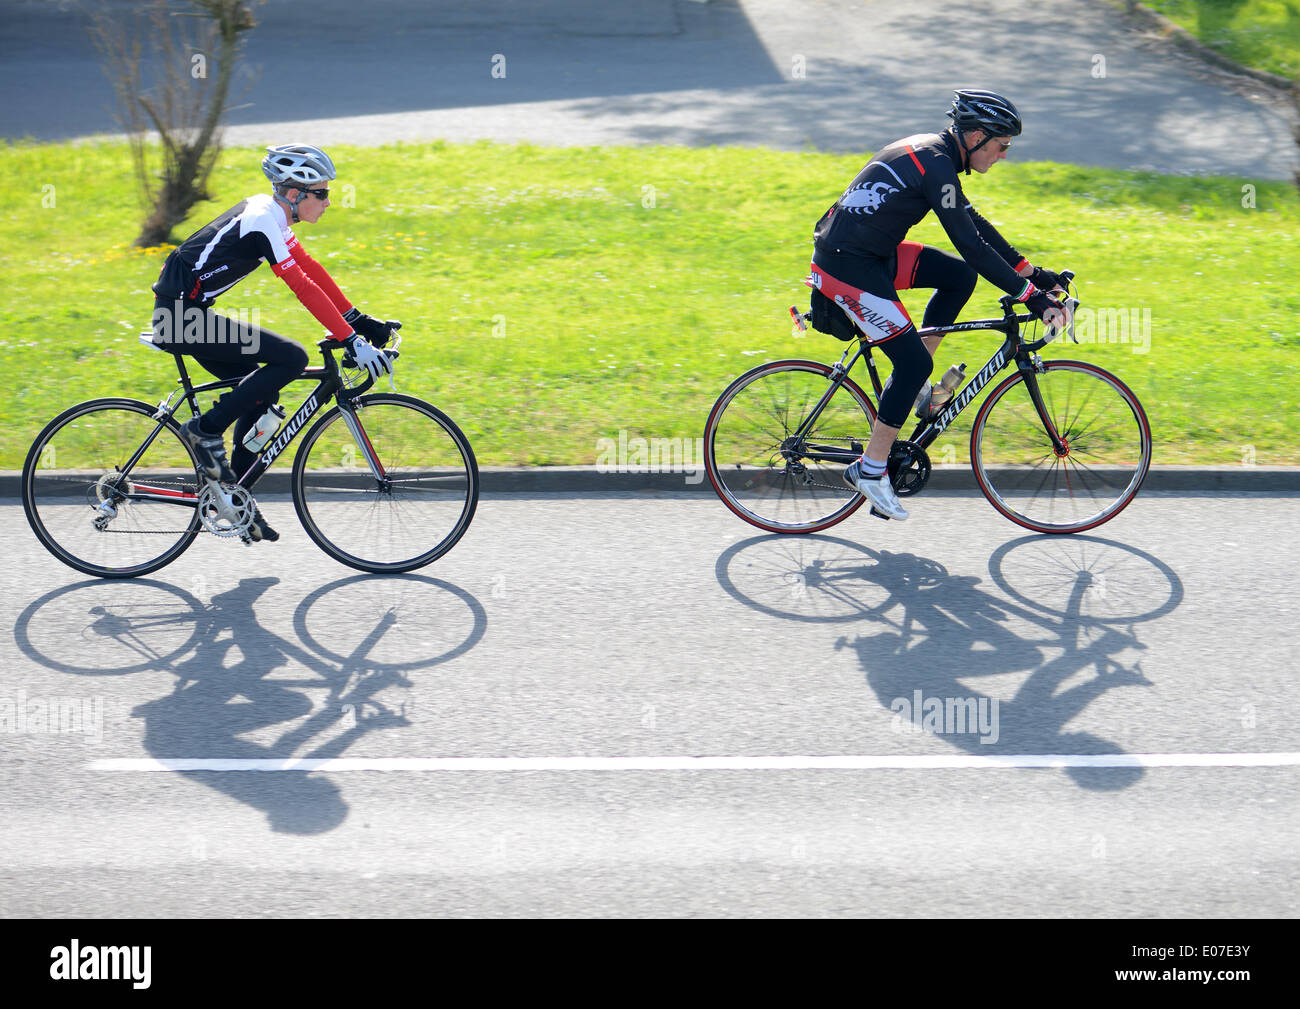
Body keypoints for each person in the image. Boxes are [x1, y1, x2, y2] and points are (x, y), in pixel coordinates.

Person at [806, 89, 1068, 521]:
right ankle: (872, 470)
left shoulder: (936, 156)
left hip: (868, 255)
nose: (1004, 156)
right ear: (978, 136)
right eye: (1002, 146)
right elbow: (971, 245)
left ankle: (916, 393)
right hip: (848, 267)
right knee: (910, 364)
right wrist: (1033, 300)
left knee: (957, 278)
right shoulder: (937, 164)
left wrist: (1032, 273)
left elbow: (974, 225)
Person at [150, 143, 399, 542]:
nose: (328, 201)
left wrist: (357, 320)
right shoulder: (264, 217)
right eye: (322, 193)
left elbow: (310, 269)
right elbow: (299, 285)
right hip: (179, 320)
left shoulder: (273, 217)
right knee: (291, 358)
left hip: (190, 315)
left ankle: (233, 498)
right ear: (295, 194)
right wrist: (349, 340)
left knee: (261, 393)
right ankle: (203, 430)